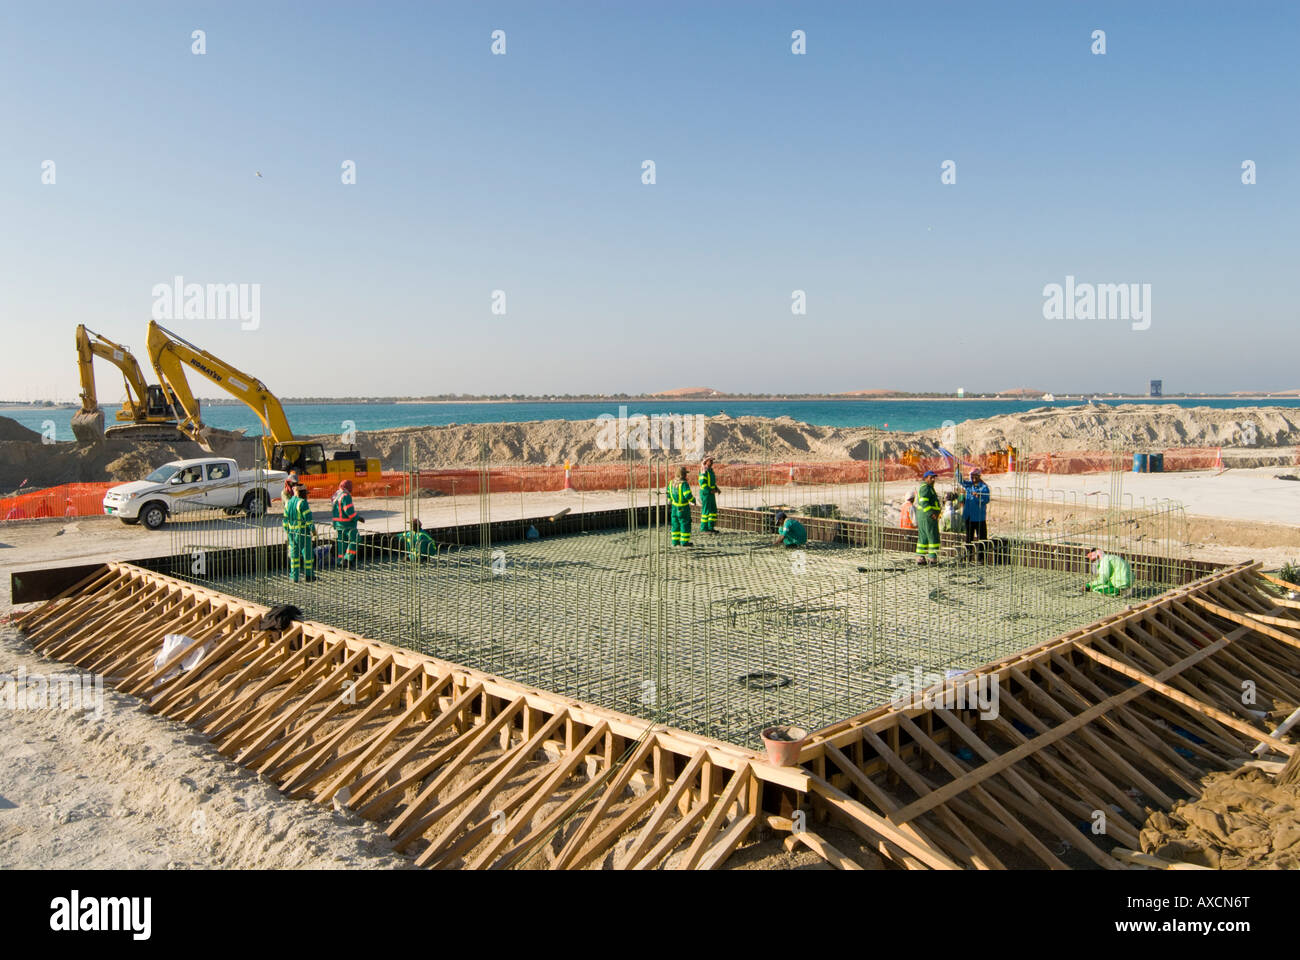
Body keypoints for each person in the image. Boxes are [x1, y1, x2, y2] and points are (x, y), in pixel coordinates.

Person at [282, 483, 315, 582]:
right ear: (302, 493)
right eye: (306, 493)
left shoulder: (288, 502)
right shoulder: (302, 502)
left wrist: (287, 531)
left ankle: (294, 577)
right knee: (308, 555)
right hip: (303, 532)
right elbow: (308, 519)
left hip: (291, 533)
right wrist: (314, 531)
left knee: (294, 556)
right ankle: (309, 576)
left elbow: (285, 520)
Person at [956, 466, 991, 560]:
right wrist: (957, 471)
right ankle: (967, 558)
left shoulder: (984, 488)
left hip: (979, 518)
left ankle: (981, 559)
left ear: (979, 476)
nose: (973, 478)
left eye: (975, 476)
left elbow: (986, 500)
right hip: (969, 517)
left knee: (982, 540)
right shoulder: (969, 485)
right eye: (972, 476)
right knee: (968, 539)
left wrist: (978, 496)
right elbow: (960, 481)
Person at [330, 479, 364, 567]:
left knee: (342, 543)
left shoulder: (336, 495)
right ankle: (348, 559)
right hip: (347, 524)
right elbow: (349, 511)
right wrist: (358, 518)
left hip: (338, 524)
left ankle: (340, 561)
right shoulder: (346, 496)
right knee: (356, 539)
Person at [914, 471, 942, 565]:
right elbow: (923, 502)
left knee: (923, 537)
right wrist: (931, 513)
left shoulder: (928, 488)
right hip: (928, 516)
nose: (933, 480)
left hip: (924, 515)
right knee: (932, 536)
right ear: (926, 478)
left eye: (934, 478)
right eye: (931, 478)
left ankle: (920, 557)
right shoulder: (926, 488)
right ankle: (932, 558)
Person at [666, 466, 695, 546]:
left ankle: (675, 542)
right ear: (683, 475)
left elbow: (668, 494)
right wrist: (694, 500)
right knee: (685, 524)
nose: (686, 475)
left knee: (675, 525)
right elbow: (687, 495)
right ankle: (684, 542)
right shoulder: (684, 484)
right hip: (683, 508)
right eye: (685, 474)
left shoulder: (671, 482)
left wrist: (671, 500)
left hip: (674, 507)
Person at [698, 456, 720, 532]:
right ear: (706, 461)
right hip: (706, 494)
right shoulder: (704, 470)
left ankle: (711, 527)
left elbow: (712, 482)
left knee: (713, 510)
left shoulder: (710, 471)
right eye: (710, 461)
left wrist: (716, 488)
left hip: (711, 494)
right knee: (706, 511)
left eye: (712, 461)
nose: (712, 462)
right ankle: (704, 528)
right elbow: (702, 483)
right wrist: (709, 491)